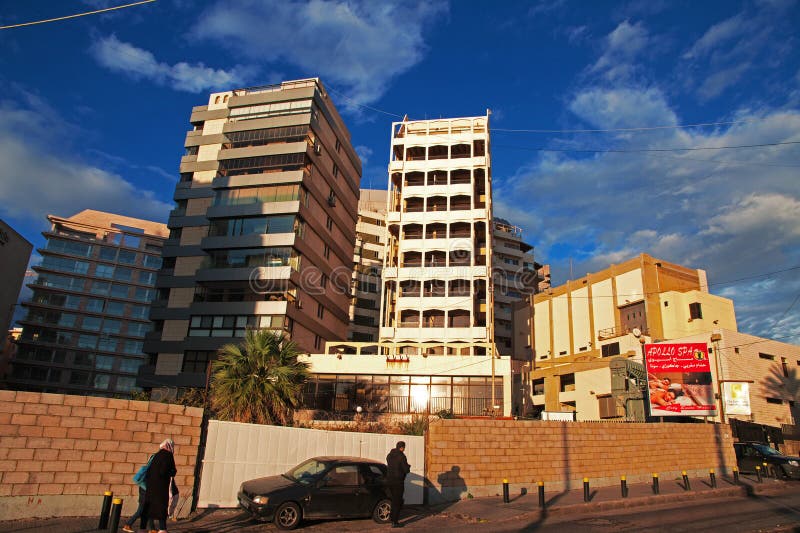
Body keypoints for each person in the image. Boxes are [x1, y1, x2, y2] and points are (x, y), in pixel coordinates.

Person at [143, 439, 177, 533]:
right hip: (161, 487)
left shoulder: (157, 455)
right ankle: (162, 529)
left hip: (151, 486)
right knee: (162, 507)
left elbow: (149, 470)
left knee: (151, 507)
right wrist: (171, 472)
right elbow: (168, 470)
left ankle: (151, 528)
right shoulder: (168, 455)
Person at [122, 451, 154, 533]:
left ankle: (152, 528)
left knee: (149, 510)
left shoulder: (149, 466)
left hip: (143, 489)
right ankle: (128, 524)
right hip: (145, 491)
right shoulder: (150, 469)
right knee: (141, 510)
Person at [386, 441, 411, 528]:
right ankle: (394, 522)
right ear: (402, 447)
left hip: (389, 481)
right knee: (397, 501)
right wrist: (408, 467)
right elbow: (406, 470)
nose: (404, 449)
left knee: (393, 500)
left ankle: (391, 517)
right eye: (404, 448)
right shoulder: (402, 456)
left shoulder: (389, 455)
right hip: (398, 482)